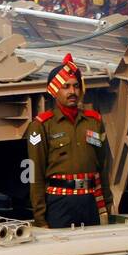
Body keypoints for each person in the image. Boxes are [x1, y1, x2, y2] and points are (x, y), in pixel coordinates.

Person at [24, 53, 111, 228]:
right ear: (55, 91)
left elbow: (103, 165)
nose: (72, 92)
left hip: (90, 200)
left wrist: (107, 203)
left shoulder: (94, 121)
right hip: (59, 202)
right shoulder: (41, 125)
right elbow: (35, 174)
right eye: (66, 87)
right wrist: (40, 217)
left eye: (76, 86)